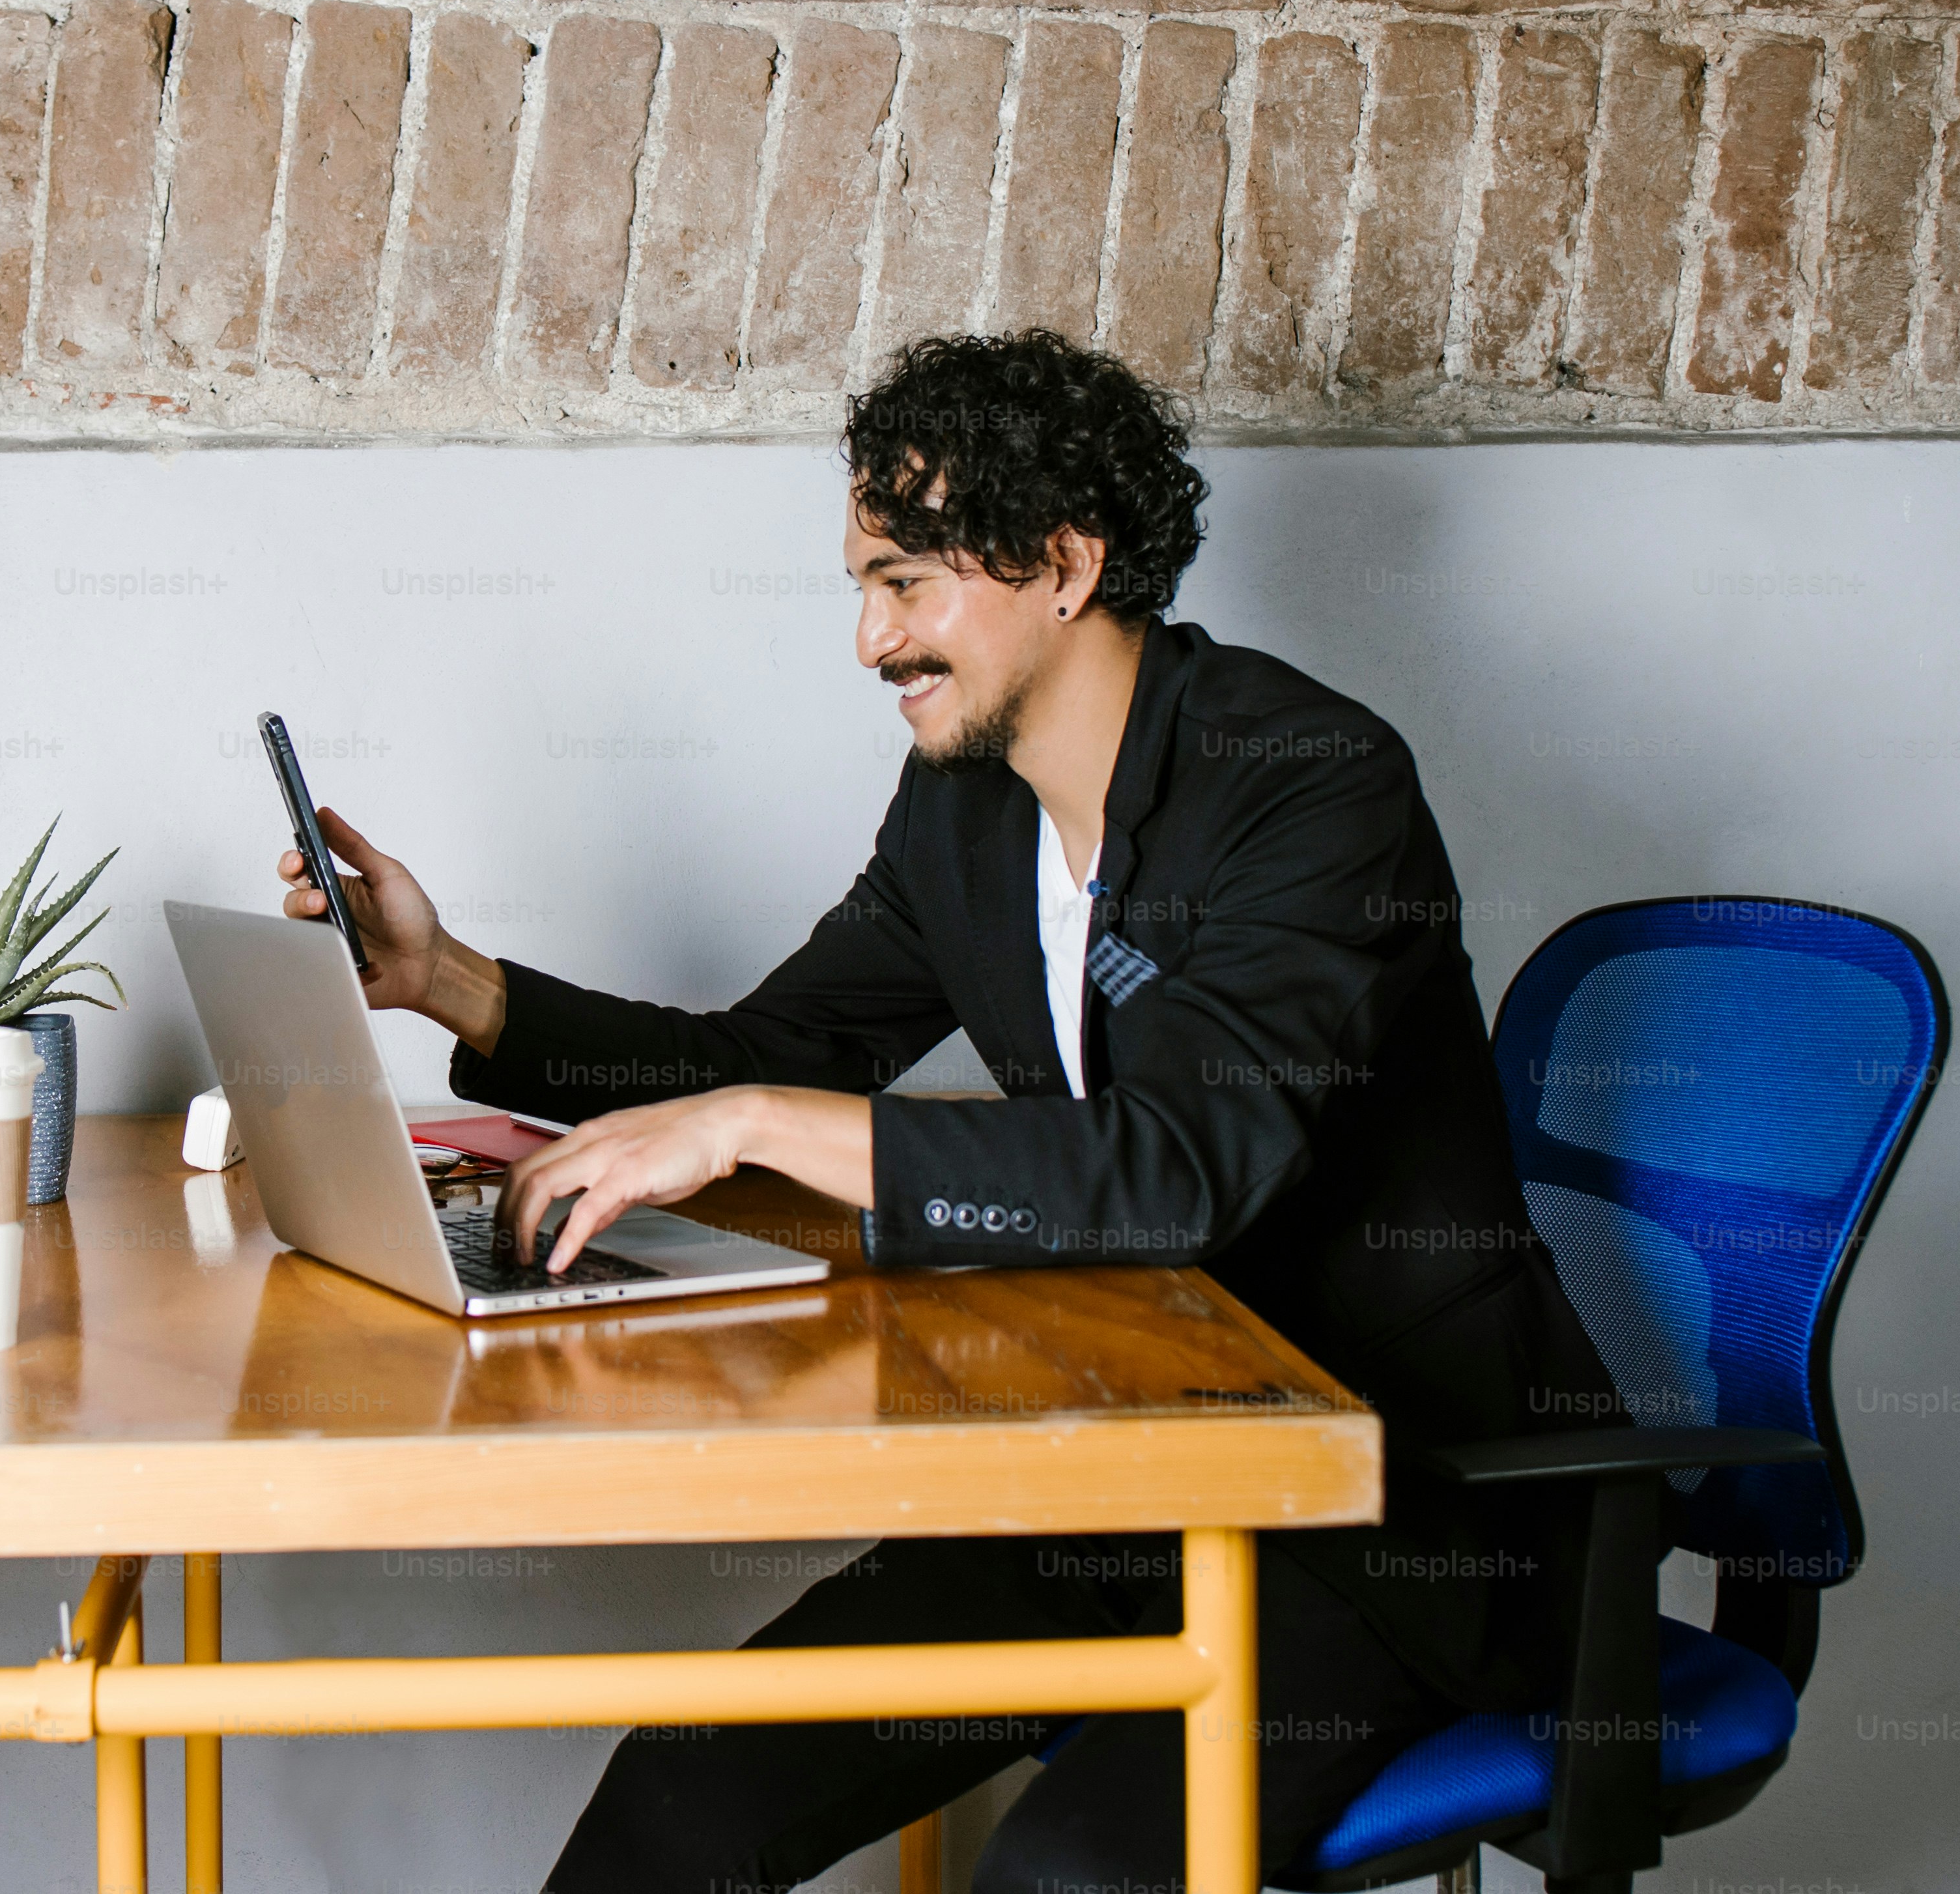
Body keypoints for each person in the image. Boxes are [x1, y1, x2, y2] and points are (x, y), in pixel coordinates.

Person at [277, 330, 1626, 1894]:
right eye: (863, 583)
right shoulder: (965, 806)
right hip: (1125, 1471)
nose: (870, 638)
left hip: (1396, 1516)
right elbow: (764, 1049)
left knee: (1062, 1877)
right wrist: (453, 982)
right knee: (685, 1797)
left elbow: (1177, 1167)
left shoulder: (1313, 781)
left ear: (1064, 564)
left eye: (908, 580)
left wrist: (759, 1118)